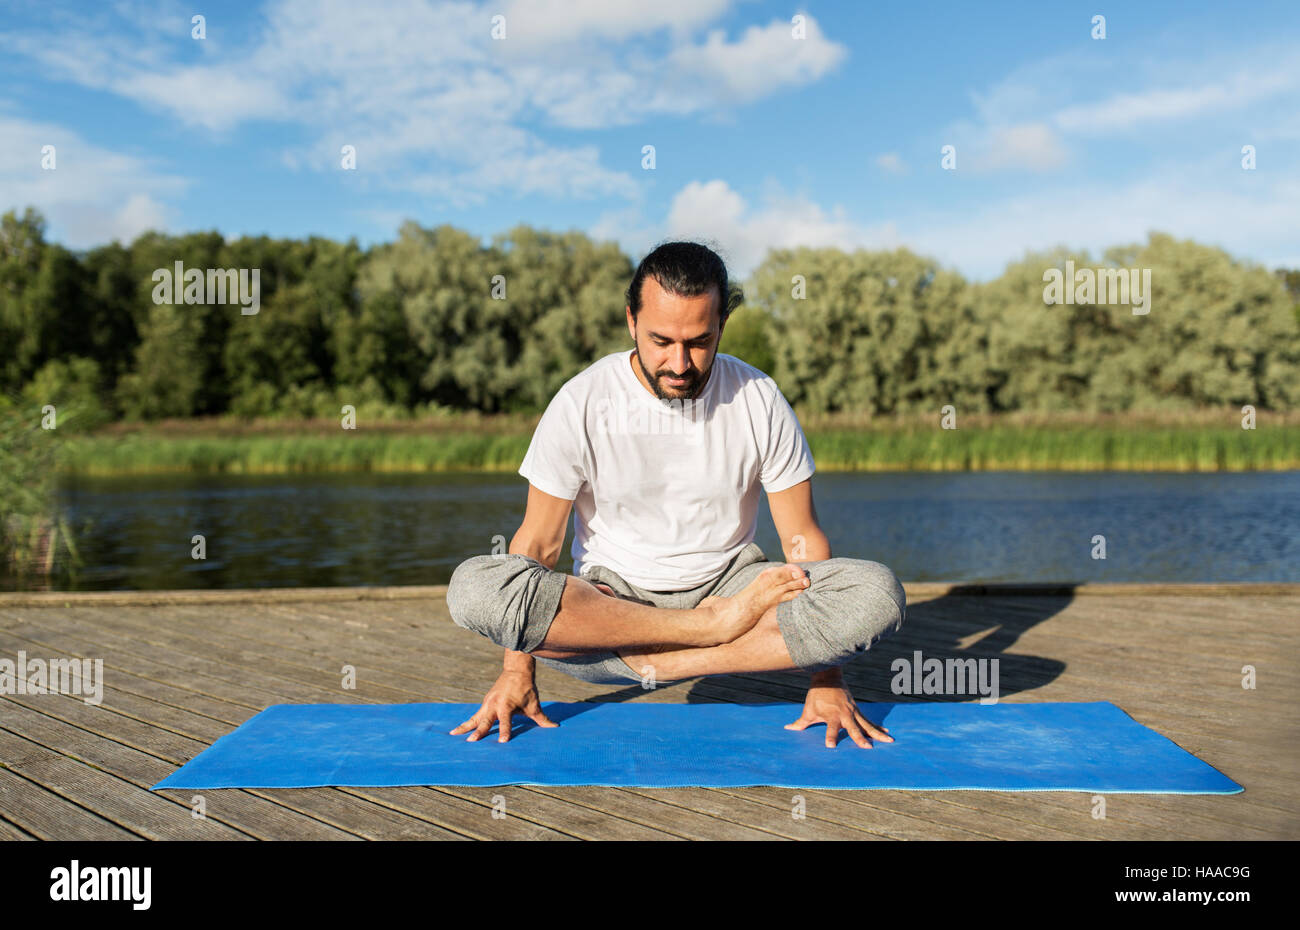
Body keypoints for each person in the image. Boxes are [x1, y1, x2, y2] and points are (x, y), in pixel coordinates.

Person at [445, 241, 906, 748]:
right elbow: (535, 546)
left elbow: (803, 542)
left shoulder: (758, 398)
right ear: (630, 321)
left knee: (875, 594)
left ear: (721, 327)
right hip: (614, 608)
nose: (680, 363)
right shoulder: (581, 400)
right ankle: (705, 633)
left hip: (732, 591)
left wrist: (828, 680)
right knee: (476, 588)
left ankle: (687, 643)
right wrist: (517, 671)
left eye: (699, 341)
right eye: (661, 340)